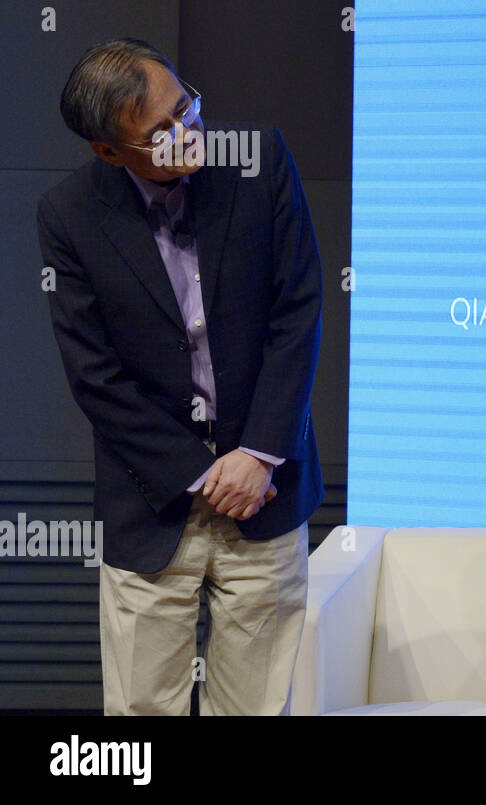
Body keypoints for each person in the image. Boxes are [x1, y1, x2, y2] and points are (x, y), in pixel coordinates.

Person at [36, 38, 324, 714]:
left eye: (186, 108)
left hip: (266, 492)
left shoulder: (259, 162)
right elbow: (93, 371)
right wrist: (196, 472)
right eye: (159, 134)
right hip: (150, 500)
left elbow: (298, 310)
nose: (186, 134)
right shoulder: (69, 214)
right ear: (111, 152)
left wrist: (256, 453)